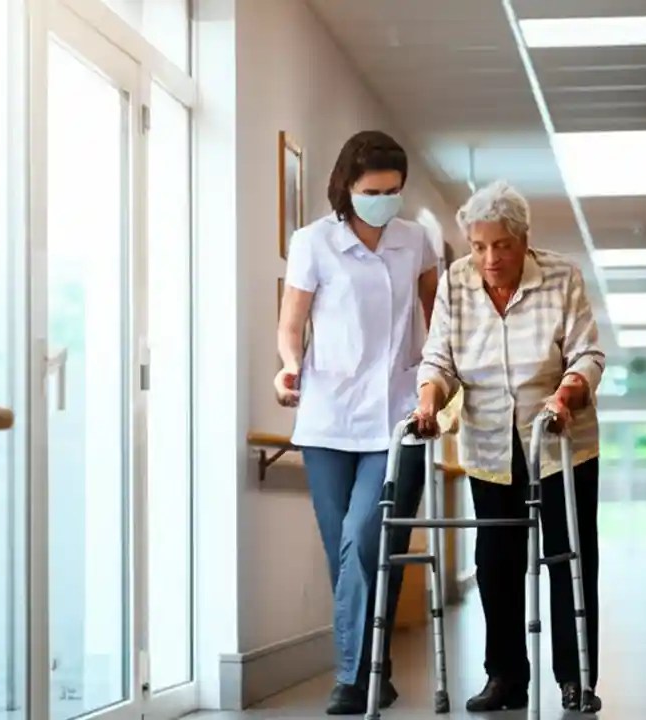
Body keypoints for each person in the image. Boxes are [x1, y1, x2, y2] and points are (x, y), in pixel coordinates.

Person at [412, 180, 605, 714]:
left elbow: (587, 353)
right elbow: (439, 360)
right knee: (495, 561)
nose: (489, 258)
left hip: (560, 439)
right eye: (478, 246)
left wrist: (566, 395)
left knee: (570, 558)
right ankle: (505, 678)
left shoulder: (561, 276)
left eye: (501, 245)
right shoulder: (456, 283)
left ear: (523, 240)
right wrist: (429, 400)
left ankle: (576, 677)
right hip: (490, 442)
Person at [274, 130, 440, 715]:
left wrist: (435, 387)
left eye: (395, 191)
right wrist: (290, 368)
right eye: (373, 191)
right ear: (346, 186)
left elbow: (435, 319)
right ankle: (377, 667)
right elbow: (291, 324)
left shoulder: (416, 240)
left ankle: (352, 678)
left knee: (367, 538)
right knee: (344, 551)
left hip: (400, 416)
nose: (385, 200)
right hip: (328, 418)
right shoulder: (313, 242)